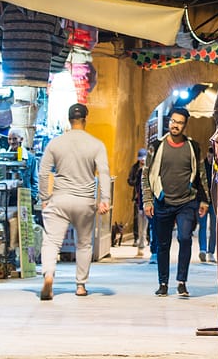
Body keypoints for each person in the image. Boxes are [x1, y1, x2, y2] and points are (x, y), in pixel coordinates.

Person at [37, 102, 111, 299]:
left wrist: (44, 197)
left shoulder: (55, 143)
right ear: (85, 119)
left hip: (60, 199)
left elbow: (43, 172)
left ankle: (49, 274)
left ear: (69, 120)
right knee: (84, 244)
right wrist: (105, 199)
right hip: (84, 201)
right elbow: (104, 172)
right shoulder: (96, 144)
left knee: (51, 241)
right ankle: (80, 285)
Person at [143, 107, 209, 297]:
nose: (175, 125)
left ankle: (181, 281)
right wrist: (148, 200)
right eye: (173, 121)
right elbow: (146, 175)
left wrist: (204, 200)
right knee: (163, 244)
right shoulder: (156, 146)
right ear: (169, 122)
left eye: (179, 122)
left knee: (185, 237)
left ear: (185, 125)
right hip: (162, 201)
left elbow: (201, 175)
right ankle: (163, 283)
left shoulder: (193, 147)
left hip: (186, 202)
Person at [126, 148, 148, 257]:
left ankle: (145, 240)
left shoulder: (149, 168)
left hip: (148, 201)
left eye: (144, 158)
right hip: (138, 199)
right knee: (139, 222)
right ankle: (139, 242)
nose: (142, 160)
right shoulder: (135, 168)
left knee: (146, 223)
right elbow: (130, 180)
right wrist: (136, 181)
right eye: (141, 158)